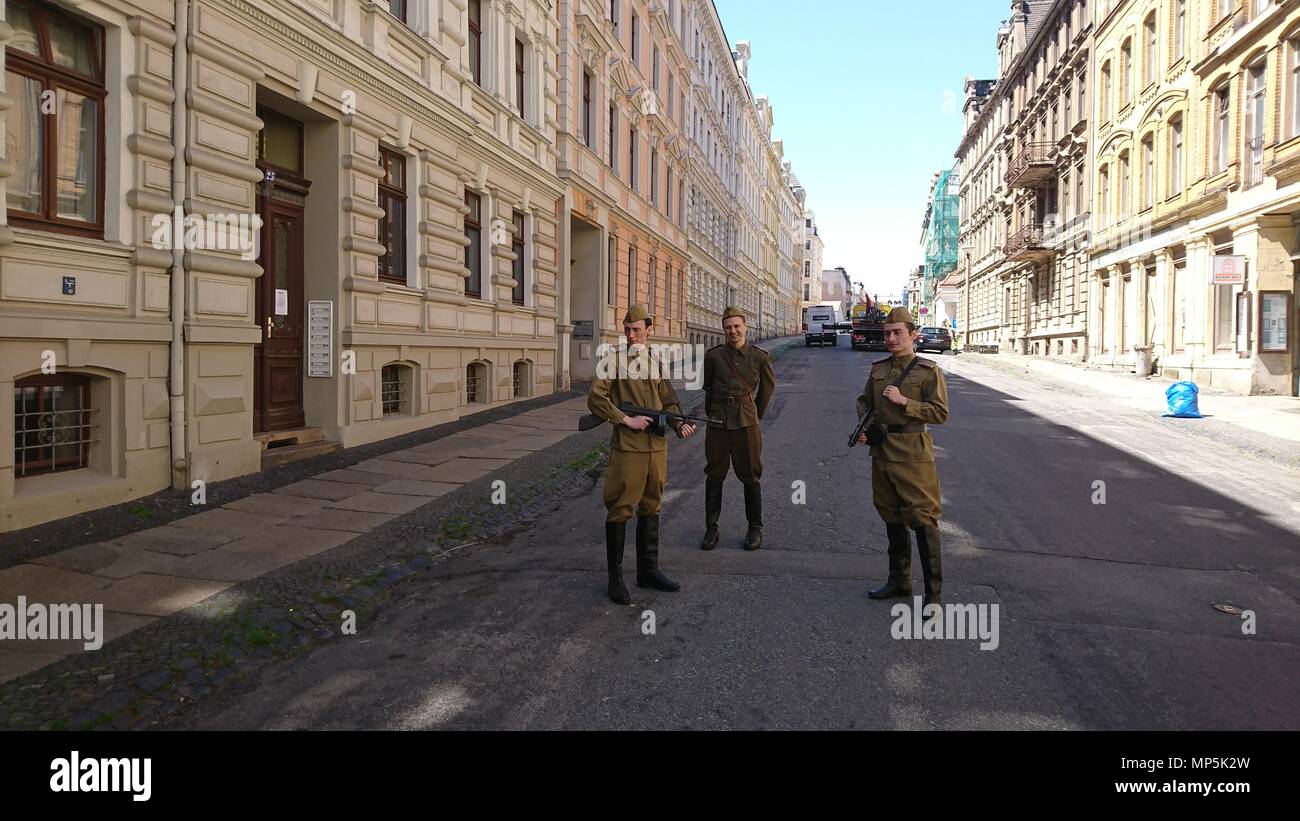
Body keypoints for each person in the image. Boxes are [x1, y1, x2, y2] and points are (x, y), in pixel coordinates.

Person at [588, 304, 697, 604]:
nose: (631, 335)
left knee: (652, 506)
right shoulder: (613, 362)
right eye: (627, 330)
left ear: (649, 330)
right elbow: (596, 399)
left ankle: (648, 571)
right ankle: (615, 579)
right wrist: (626, 420)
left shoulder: (655, 362)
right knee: (621, 508)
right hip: (629, 448)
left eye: (637, 329)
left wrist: (679, 424)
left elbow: (668, 401)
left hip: (656, 448)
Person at [854, 306, 949, 608]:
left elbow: (939, 412)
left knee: (922, 519)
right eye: (887, 333)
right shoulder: (878, 369)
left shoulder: (927, 371)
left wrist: (905, 401)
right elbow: (865, 402)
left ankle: (933, 596)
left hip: (913, 453)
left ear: (913, 335)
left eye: (897, 333)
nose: (891, 338)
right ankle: (899, 581)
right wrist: (865, 430)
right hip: (882, 451)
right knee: (890, 515)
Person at [700, 307, 776, 551]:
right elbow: (708, 388)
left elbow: (767, 389)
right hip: (718, 422)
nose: (733, 331)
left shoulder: (759, 357)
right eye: (728, 327)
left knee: (751, 475)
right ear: (724, 329)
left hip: (746, 421)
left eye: (736, 326)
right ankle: (711, 528)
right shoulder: (713, 357)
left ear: (746, 326)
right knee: (714, 474)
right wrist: (712, 414)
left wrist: (755, 414)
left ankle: (755, 528)